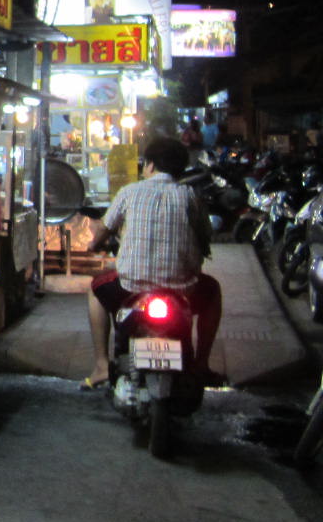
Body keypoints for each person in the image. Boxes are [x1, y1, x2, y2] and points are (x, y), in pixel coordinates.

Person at [82, 135, 224, 389]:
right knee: (213, 292)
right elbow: (204, 237)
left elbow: (104, 228)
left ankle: (102, 365)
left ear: (149, 165)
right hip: (183, 287)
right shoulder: (191, 196)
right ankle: (201, 364)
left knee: (95, 290)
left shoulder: (129, 192)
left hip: (131, 286)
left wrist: (94, 245)